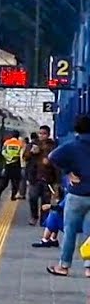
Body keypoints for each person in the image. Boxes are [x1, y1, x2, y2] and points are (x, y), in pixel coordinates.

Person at [46, 114, 90, 277]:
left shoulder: (73, 145)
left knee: (69, 230)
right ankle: (88, 268)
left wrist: (68, 173)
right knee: (89, 232)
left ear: (76, 129)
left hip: (77, 194)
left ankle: (64, 266)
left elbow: (52, 157)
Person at [26, 126, 60, 225]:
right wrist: (31, 152)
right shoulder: (32, 145)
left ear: (48, 134)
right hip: (34, 177)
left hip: (48, 177)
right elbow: (25, 157)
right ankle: (34, 216)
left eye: (44, 133)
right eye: (40, 133)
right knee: (33, 197)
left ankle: (44, 219)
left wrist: (57, 181)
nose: (41, 135)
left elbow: (56, 162)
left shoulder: (52, 146)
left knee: (46, 199)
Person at [0, 130, 25, 201]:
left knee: (4, 182)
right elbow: (22, 155)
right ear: (18, 136)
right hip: (16, 165)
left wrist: (8, 158)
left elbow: (3, 152)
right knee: (15, 182)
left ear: (12, 135)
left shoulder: (7, 142)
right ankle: (13, 196)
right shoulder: (20, 143)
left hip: (8, 164)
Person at [34, 181, 64, 248]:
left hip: (73, 222)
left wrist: (50, 206)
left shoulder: (72, 194)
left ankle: (45, 239)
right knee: (57, 215)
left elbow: (63, 208)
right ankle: (53, 238)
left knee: (53, 216)